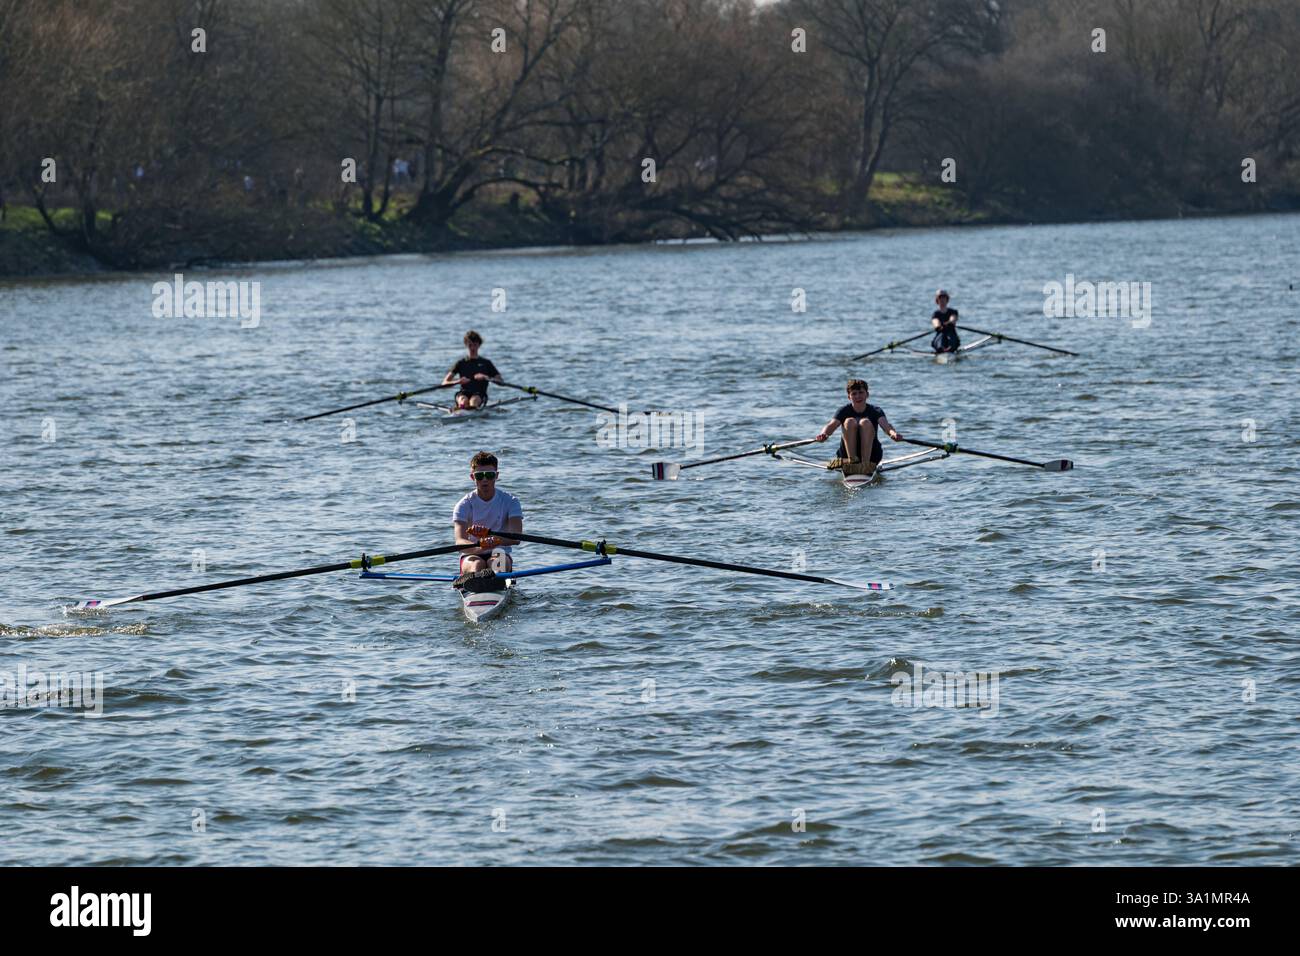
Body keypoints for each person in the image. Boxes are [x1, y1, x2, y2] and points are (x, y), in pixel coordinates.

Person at [452, 451, 522, 578]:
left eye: (489, 475)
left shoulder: (511, 502)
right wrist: (481, 545)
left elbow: (516, 537)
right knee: (477, 565)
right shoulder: (463, 505)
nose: (485, 480)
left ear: (496, 476)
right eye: (479, 476)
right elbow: (460, 542)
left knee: (496, 564)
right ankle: (478, 585)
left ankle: (493, 582)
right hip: (472, 553)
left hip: (499, 552)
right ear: (472, 477)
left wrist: (495, 540)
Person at [812, 380, 902, 474]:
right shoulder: (843, 411)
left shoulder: (876, 411)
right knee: (849, 421)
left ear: (867, 394)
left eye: (861, 393)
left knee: (865, 422)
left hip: (872, 456)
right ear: (849, 397)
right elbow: (831, 425)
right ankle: (852, 461)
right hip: (846, 455)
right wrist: (823, 434)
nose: (858, 396)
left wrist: (894, 434)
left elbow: (887, 427)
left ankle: (865, 464)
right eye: (854, 393)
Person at [442, 330, 503, 409]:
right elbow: (444, 383)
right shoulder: (461, 363)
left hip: (480, 394)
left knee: (474, 401)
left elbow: (501, 381)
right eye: (470, 345)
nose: (472, 348)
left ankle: (469, 410)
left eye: (475, 345)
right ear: (466, 345)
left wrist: (486, 377)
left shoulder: (486, 363)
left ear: (479, 345)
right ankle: (462, 410)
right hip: (463, 393)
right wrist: (458, 381)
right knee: (463, 400)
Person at [930, 289, 961, 354]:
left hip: (952, 336)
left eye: (944, 298)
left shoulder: (953, 312)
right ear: (937, 301)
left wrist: (949, 323)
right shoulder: (936, 314)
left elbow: (953, 318)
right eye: (940, 298)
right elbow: (935, 321)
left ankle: (949, 350)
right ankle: (942, 350)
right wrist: (938, 326)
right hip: (940, 337)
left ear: (947, 300)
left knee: (950, 336)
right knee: (941, 336)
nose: (942, 300)